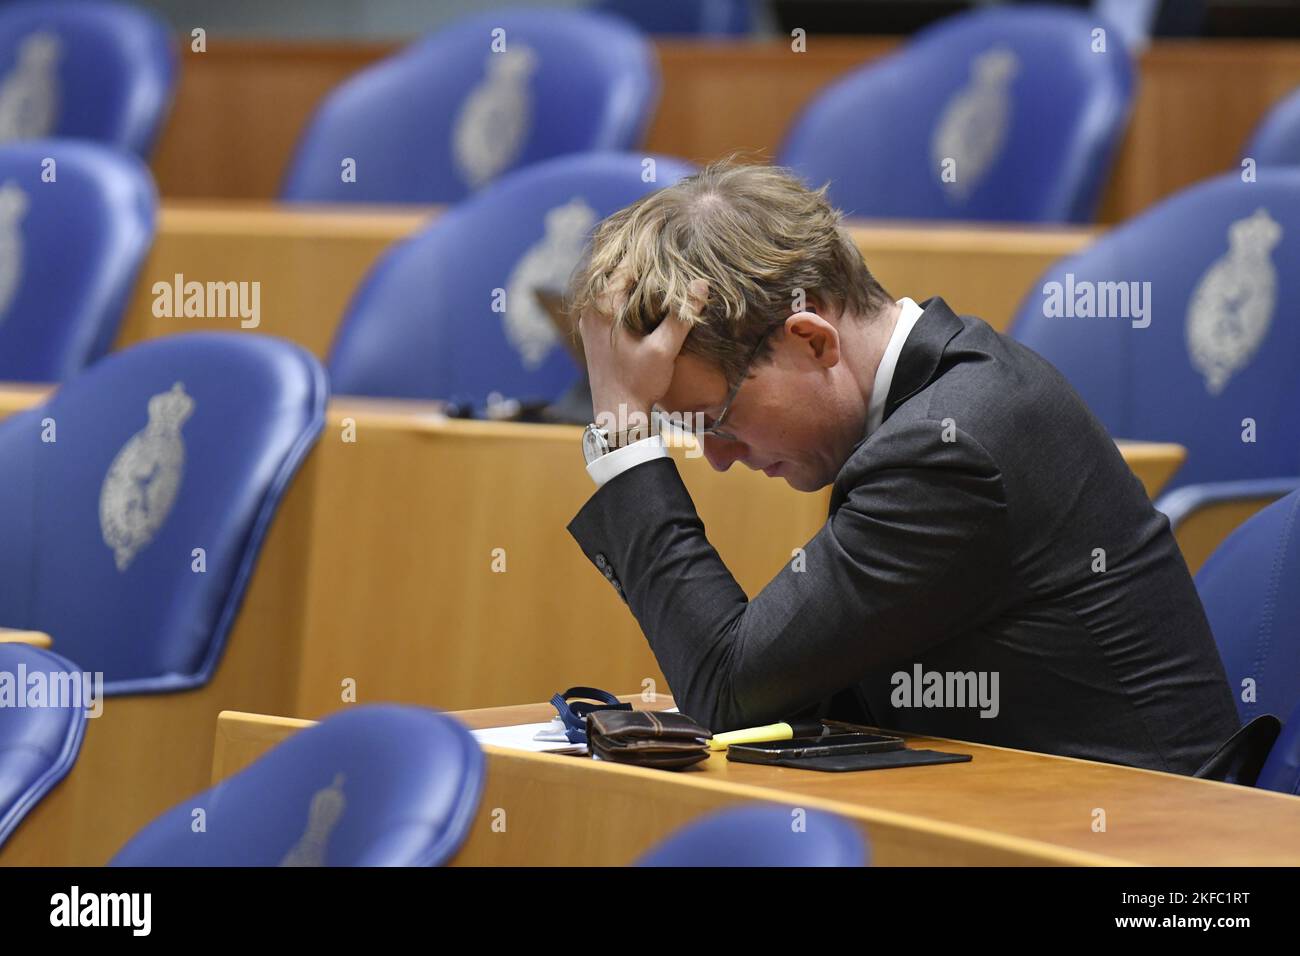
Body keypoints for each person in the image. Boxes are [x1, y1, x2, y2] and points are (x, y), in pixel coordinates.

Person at [565, 161, 1240, 775]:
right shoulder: (938, 403)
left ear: (810, 339)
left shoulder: (951, 447)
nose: (714, 458)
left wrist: (624, 432)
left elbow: (728, 688)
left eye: (715, 418)